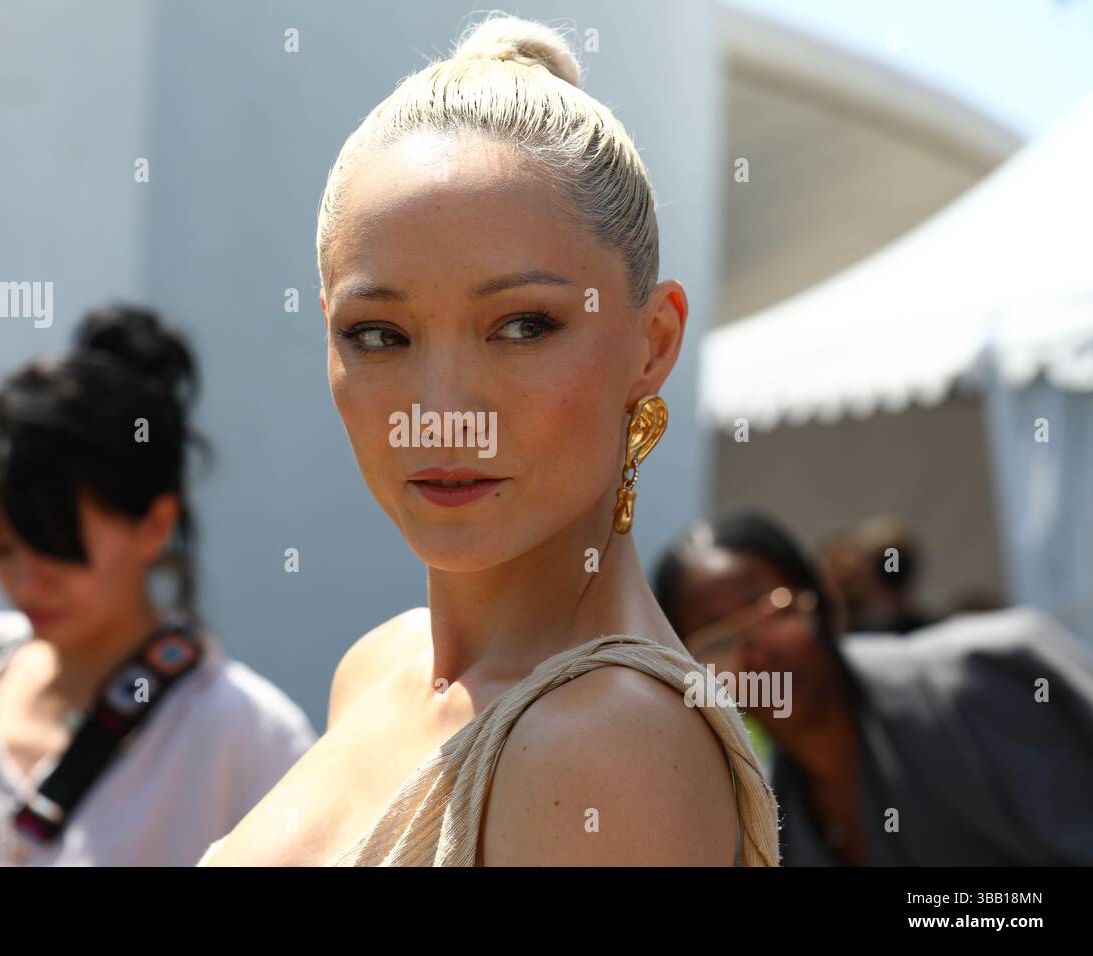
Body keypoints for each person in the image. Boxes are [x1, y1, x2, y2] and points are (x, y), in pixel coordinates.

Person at [200, 13, 780, 867]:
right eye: (379, 335)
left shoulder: (609, 743)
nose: (441, 410)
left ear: (652, 342)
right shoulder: (376, 669)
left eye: (521, 326)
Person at [0, 304, 315, 866]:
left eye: (55, 551)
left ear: (155, 526)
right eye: (5, 549)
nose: (23, 582)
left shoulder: (248, 736)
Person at [654, 509, 1093, 865]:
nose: (756, 652)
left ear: (820, 602)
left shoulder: (994, 673)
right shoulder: (756, 828)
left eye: (769, 608)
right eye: (717, 640)